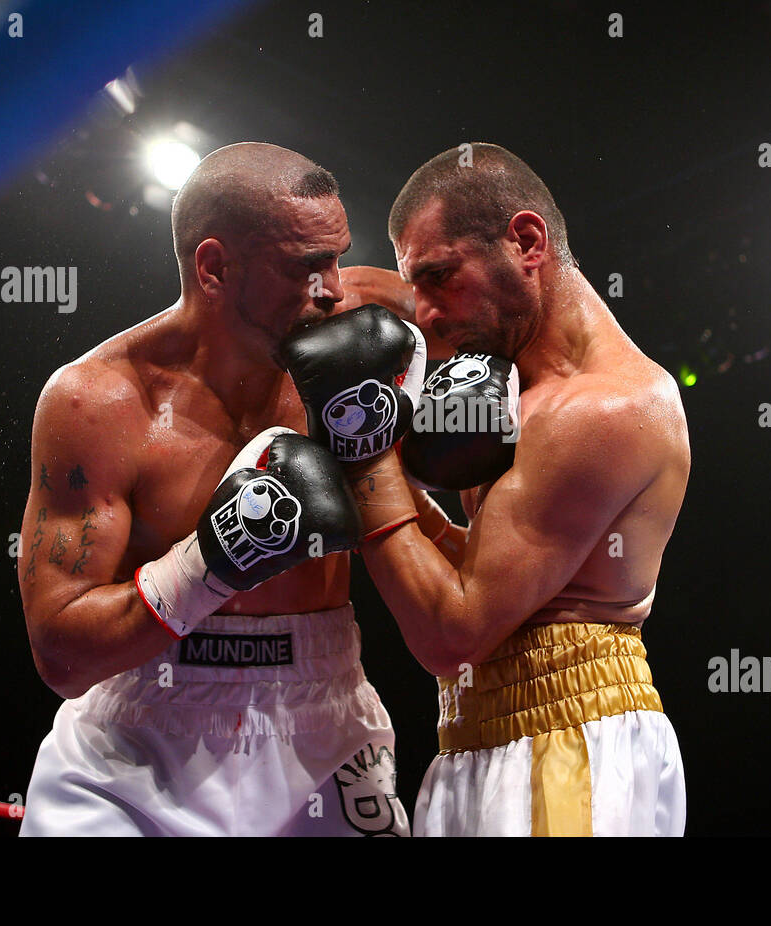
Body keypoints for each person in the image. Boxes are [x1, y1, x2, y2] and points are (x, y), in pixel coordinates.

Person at [16, 142, 428, 836]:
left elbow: (510, 314)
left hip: (324, 727)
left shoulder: (366, 313)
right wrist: (210, 563)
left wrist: (440, 395)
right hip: (138, 745)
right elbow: (59, 653)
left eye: (338, 255)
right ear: (213, 268)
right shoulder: (99, 403)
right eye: (305, 266)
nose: (334, 287)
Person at [285, 143, 690, 836]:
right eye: (418, 285)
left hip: (571, 745)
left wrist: (361, 456)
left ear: (528, 242)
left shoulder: (597, 410)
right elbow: (479, 566)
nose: (429, 313)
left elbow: (453, 634)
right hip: (478, 737)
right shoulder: (508, 384)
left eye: (441, 277)